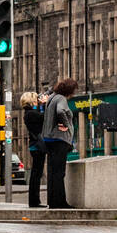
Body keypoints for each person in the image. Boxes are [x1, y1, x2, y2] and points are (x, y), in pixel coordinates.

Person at [42, 78, 76, 208]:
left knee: (52, 171)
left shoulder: (52, 97)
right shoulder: (61, 99)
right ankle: (60, 202)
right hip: (59, 140)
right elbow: (61, 111)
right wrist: (66, 125)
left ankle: (52, 201)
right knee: (59, 172)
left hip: (49, 139)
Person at [21, 90, 47, 208]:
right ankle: (34, 201)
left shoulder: (29, 113)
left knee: (36, 173)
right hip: (37, 146)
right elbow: (44, 117)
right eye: (36, 100)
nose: (37, 101)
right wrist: (45, 105)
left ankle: (34, 201)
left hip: (35, 145)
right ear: (31, 101)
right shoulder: (30, 113)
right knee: (36, 174)